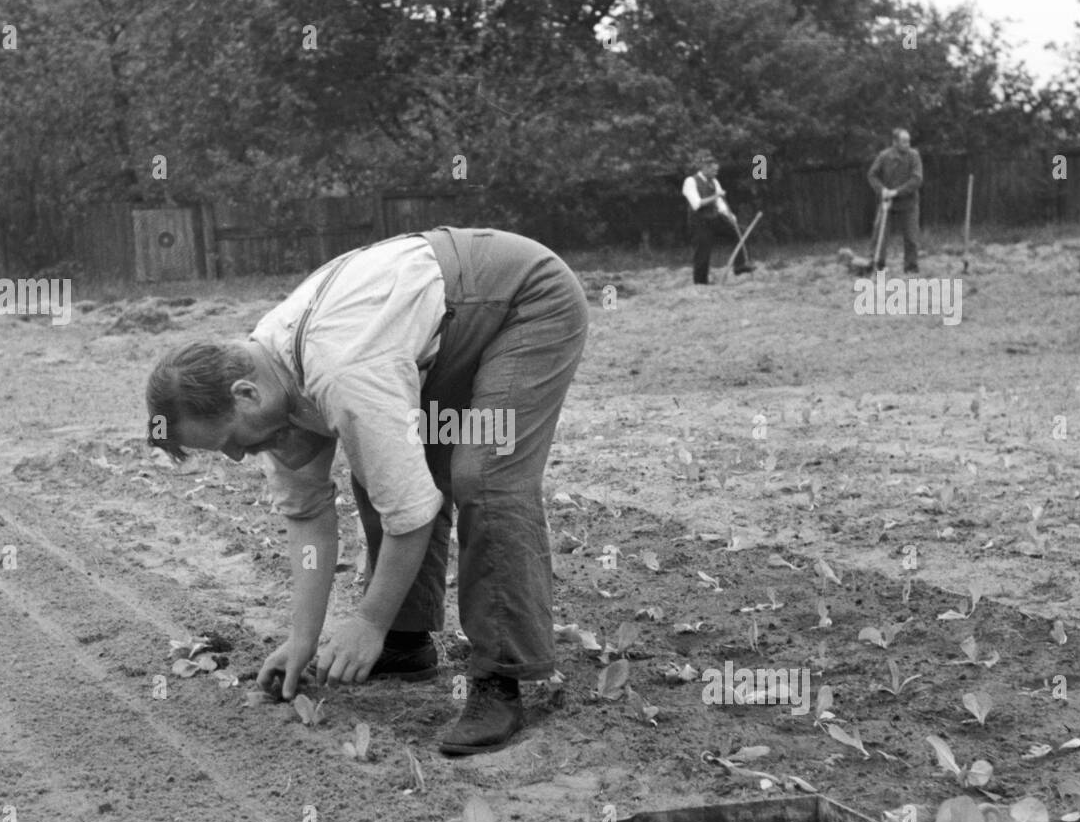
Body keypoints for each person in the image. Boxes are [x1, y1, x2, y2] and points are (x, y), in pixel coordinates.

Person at [145, 227, 588, 756]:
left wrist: (366, 620)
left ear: (245, 394)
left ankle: (501, 677)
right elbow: (308, 516)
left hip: (522, 300)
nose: (239, 456)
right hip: (436, 329)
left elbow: (412, 512)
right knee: (382, 464)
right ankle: (406, 640)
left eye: (230, 442)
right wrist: (303, 640)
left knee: (484, 473)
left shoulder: (341, 371)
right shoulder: (269, 380)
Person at [682, 151, 754, 284]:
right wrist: (716, 196)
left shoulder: (714, 182)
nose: (716, 173)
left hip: (714, 219)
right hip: (699, 223)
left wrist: (730, 216)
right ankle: (700, 284)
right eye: (714, 170)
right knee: (702, 254)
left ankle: (740, 265)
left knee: (740, 232)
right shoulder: (690, 182)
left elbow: (721, 204)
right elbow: (697, 204)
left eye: (717, 170)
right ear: (705, 168)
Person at [866, 128, 923, 273]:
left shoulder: (914, 156)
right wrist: (882, 190)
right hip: (887, 203)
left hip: (908, 203)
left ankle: (911, 266)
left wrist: (896, 192)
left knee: (911, 236)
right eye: (904, 141)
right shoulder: (884, 156)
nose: (907, 144)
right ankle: (877, 263)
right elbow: (872, 175)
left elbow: (917, 180)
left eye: (908, 141)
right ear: (895, 142)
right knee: (880, 234)